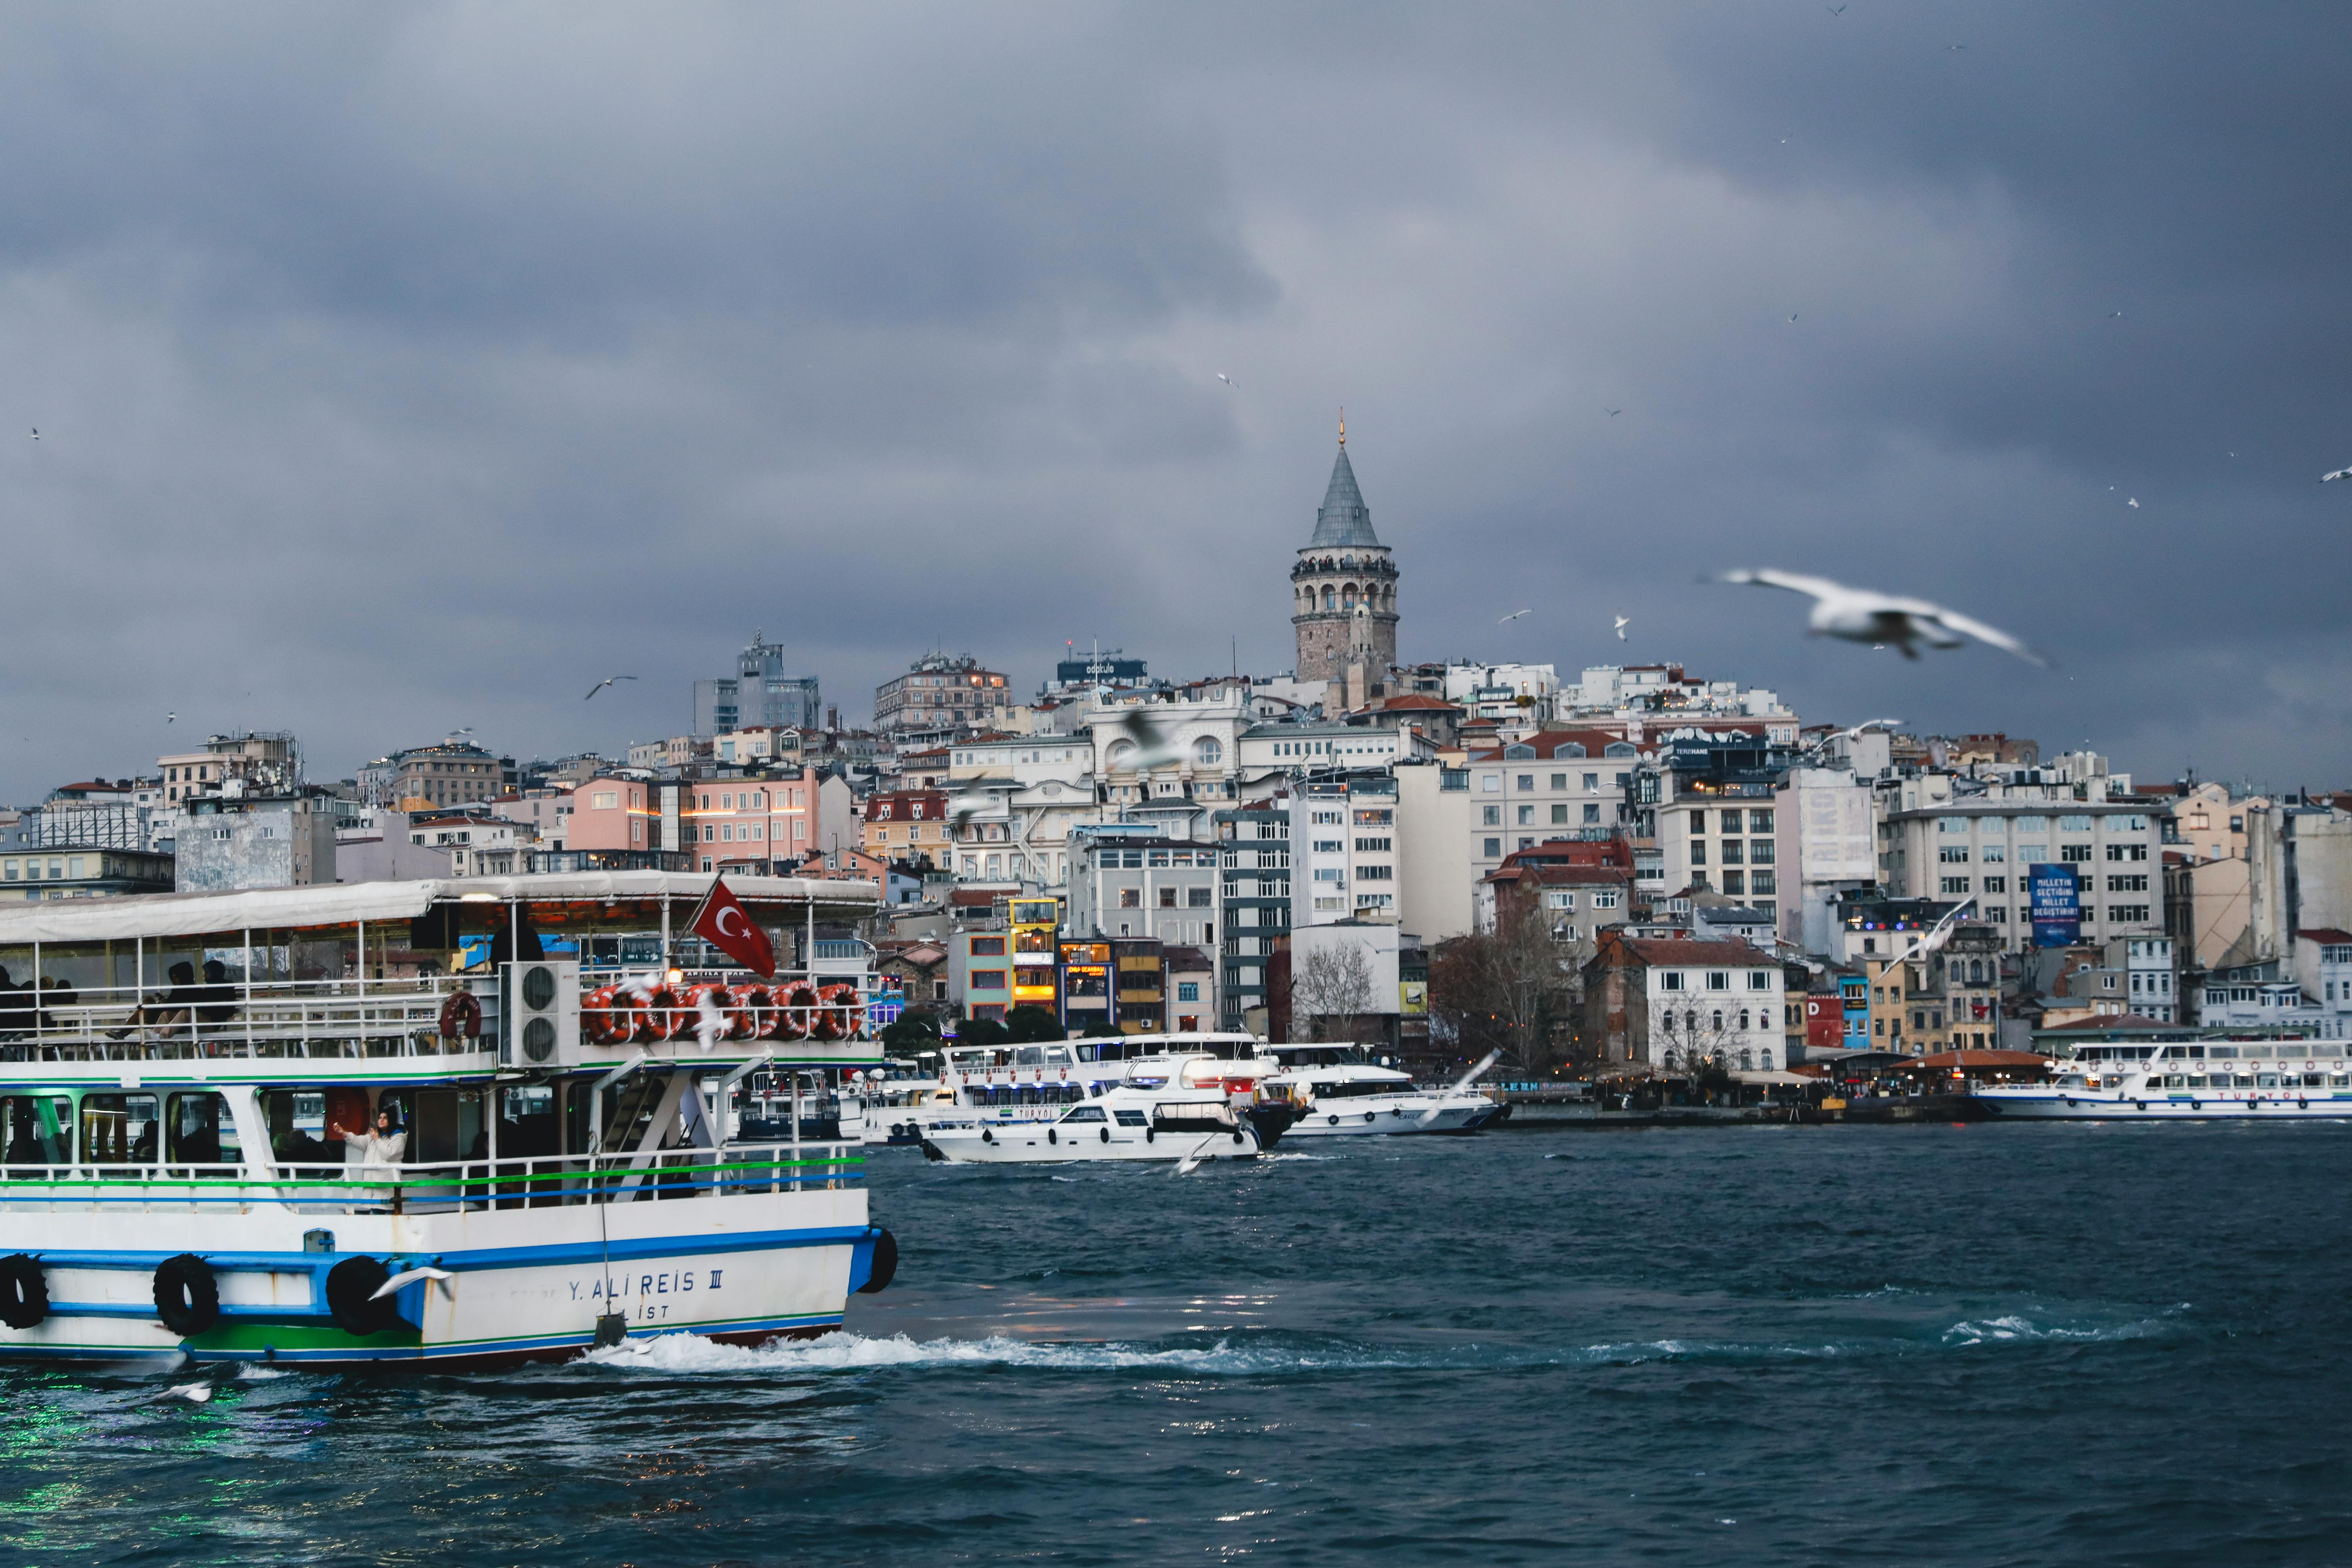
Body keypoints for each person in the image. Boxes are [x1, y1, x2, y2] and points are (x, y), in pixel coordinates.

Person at [109, 963, 201, 1041]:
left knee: (149, 1004)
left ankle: (138, 1029)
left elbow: (177, 1009)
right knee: (148, 1002)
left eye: (176, 977)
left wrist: (163, 1005)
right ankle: (141, 1028)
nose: (174, 981)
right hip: (165, 1022)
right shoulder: (180, 991)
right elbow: (172, 1005)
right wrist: (163, 1003)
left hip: (176, 1026)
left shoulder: (192, 991)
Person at [338, 1104, 408, 1184]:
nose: (381, 1120)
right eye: (380, 1118)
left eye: (385, 1118)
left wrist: (377, 1140)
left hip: (386, 1183)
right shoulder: (374, 1136)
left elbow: (389, 1155)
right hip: (369, 1182)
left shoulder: (398, 1137)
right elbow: (359, 1141)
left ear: (391, 1120)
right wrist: (344, 1133)